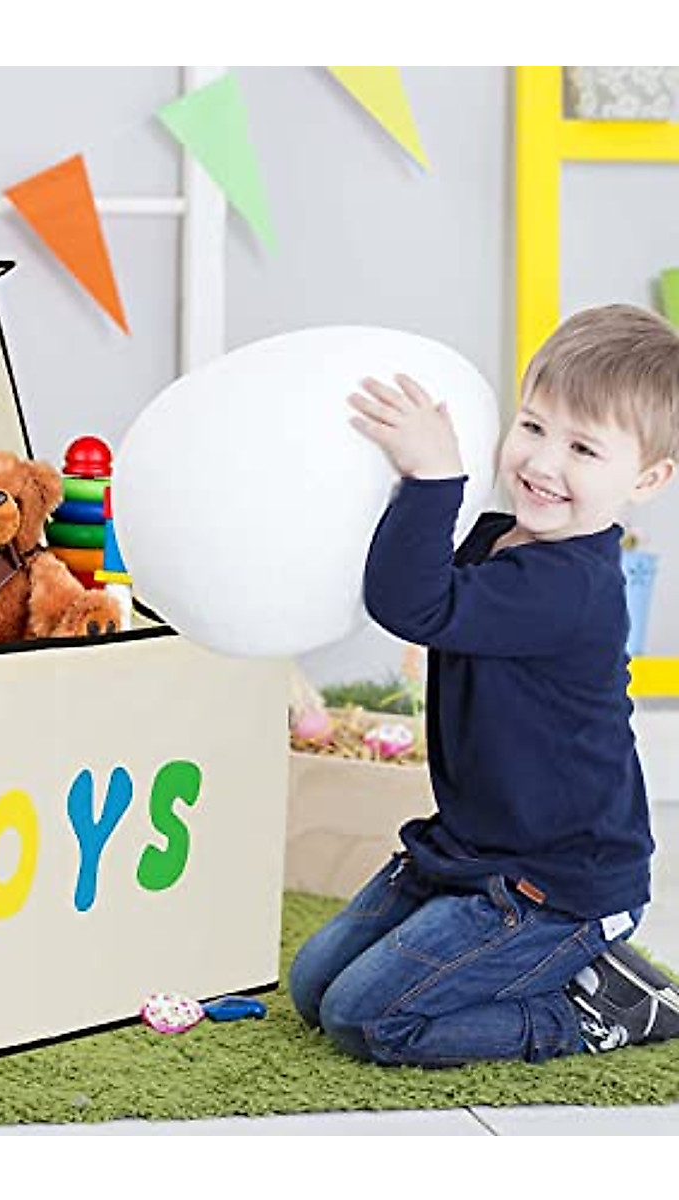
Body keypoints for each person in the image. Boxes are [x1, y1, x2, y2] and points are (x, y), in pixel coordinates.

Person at [288, 304, 679, 1066]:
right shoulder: (497, 538)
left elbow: (413, 605)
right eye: (533, 427)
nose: (543, 462)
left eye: (583, 448)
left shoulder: (571, 588)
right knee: (313, 988)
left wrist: (435, 475)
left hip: (557, 887)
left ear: (648, 478)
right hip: (471, 853)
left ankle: (590, 1010)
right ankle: (524, 961)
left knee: (363, 1020)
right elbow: (414, 572)